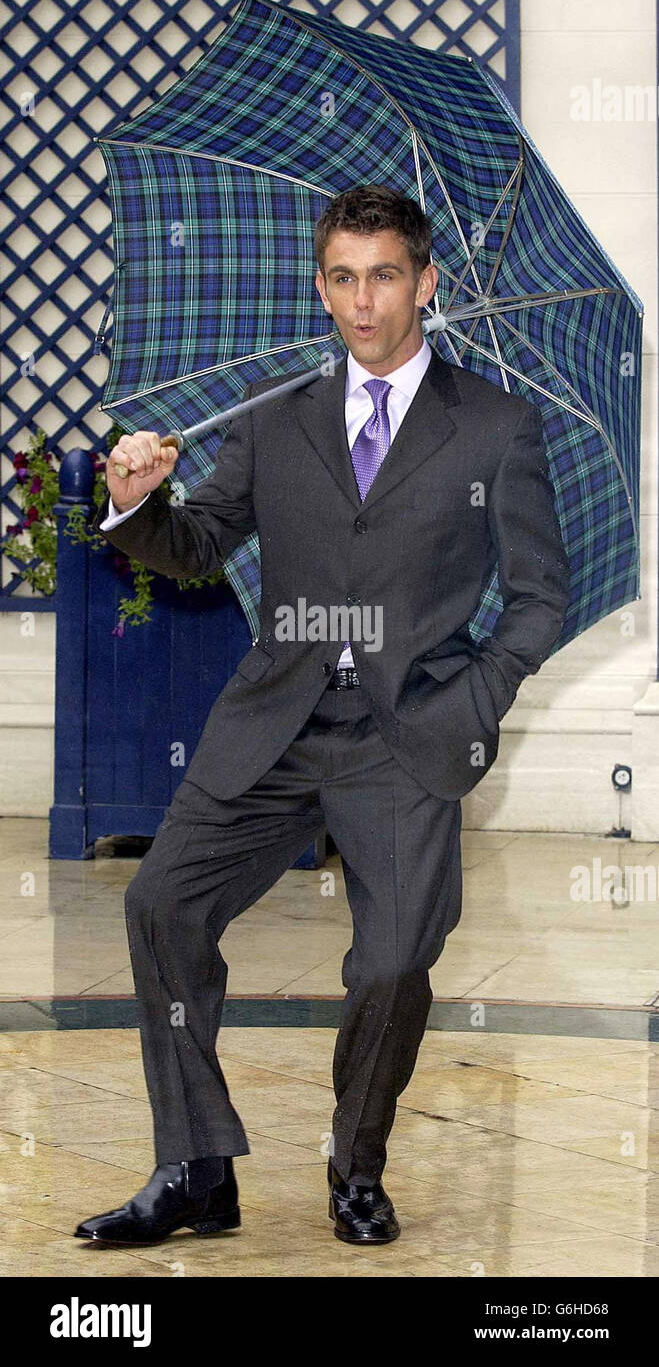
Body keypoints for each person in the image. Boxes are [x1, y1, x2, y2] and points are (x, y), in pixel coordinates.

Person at [75, 184, 571, 1249]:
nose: (362, 302)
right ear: (320, 286)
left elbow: (540, 597)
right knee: (162, 904)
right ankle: (196, 1167)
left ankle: (355, 1160)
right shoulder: (275, 415)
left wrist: (475, 694)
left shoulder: (493, 427)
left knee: (393, 962)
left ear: (425, 283)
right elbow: (196, 547)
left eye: (383, 276)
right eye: (342, 278)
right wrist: (137, 498)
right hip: (276, 721)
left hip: (406, 734)